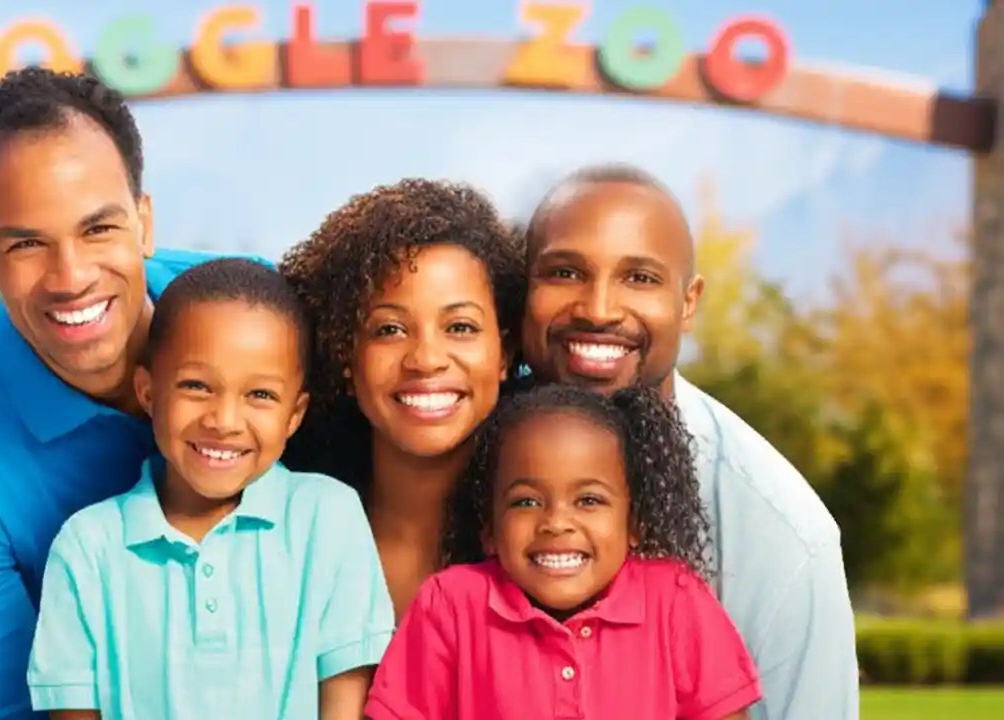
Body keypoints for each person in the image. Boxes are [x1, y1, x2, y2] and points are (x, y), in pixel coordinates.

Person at [0, 68, 259, 719]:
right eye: (27, 244)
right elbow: (5, 710)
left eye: (98, 229)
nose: (72, 276)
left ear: (143, 222)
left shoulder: (263, 317)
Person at [518, 163, 859, 720]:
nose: (599, 309)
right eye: (564, 273)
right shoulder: (464, 443)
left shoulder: (785, 538)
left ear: (689, 302)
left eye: (641, 278)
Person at [27, 258, 394, 720]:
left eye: (260, 395)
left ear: (295, 415)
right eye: (196, 386)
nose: (224, 421)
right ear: (148, 392)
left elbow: (344, 704)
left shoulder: (327, 516)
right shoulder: (87, 548)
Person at [365, 383, 761, 720]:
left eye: (588, 500)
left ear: (634, 523)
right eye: (526, 502)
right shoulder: (451, 605)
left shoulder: (674, 599)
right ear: (490, 528)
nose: (556, 522)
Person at [279, 178, 526, 618]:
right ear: (345, 357)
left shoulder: (546, 544)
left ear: (504, 354)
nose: (426, 359)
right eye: (389, 329)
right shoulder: (288, 539)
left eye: (460, 327)